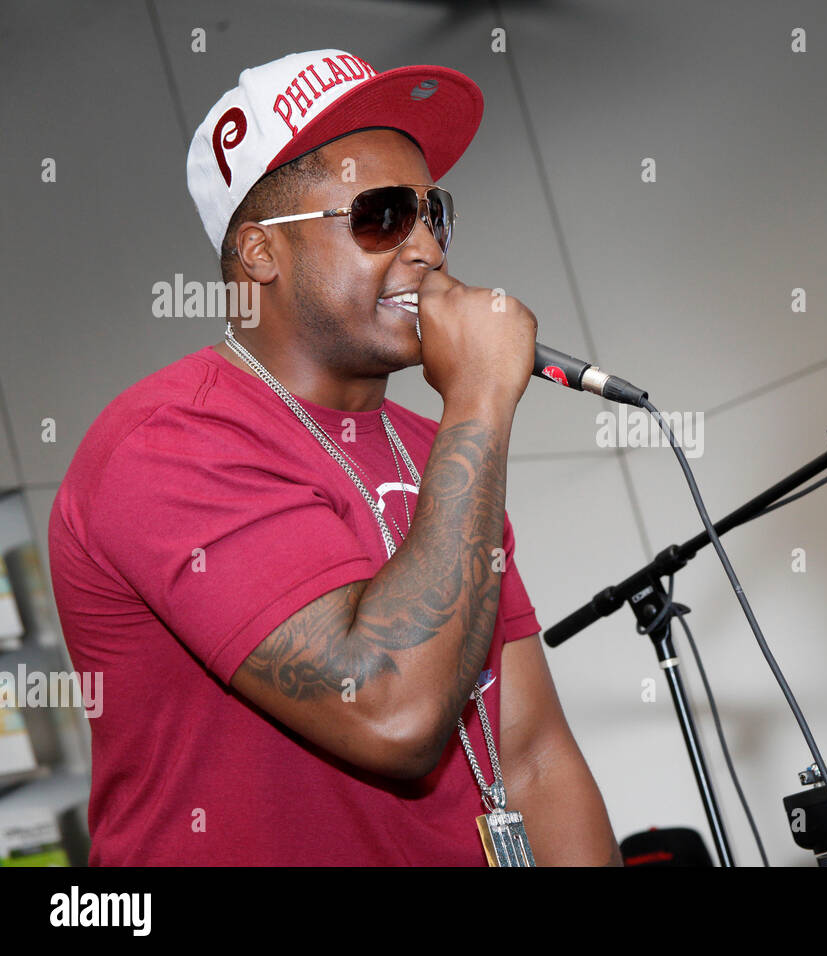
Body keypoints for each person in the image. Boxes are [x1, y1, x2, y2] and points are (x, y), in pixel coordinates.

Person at [47, 49, 621, 866]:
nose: (426, 250)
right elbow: (390, 714)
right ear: (259, 254)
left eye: (435, 214)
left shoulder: (441, 451)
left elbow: (533, 759)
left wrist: (470, 421)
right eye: (382, 216)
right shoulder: (166, 443)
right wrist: (483, 402)